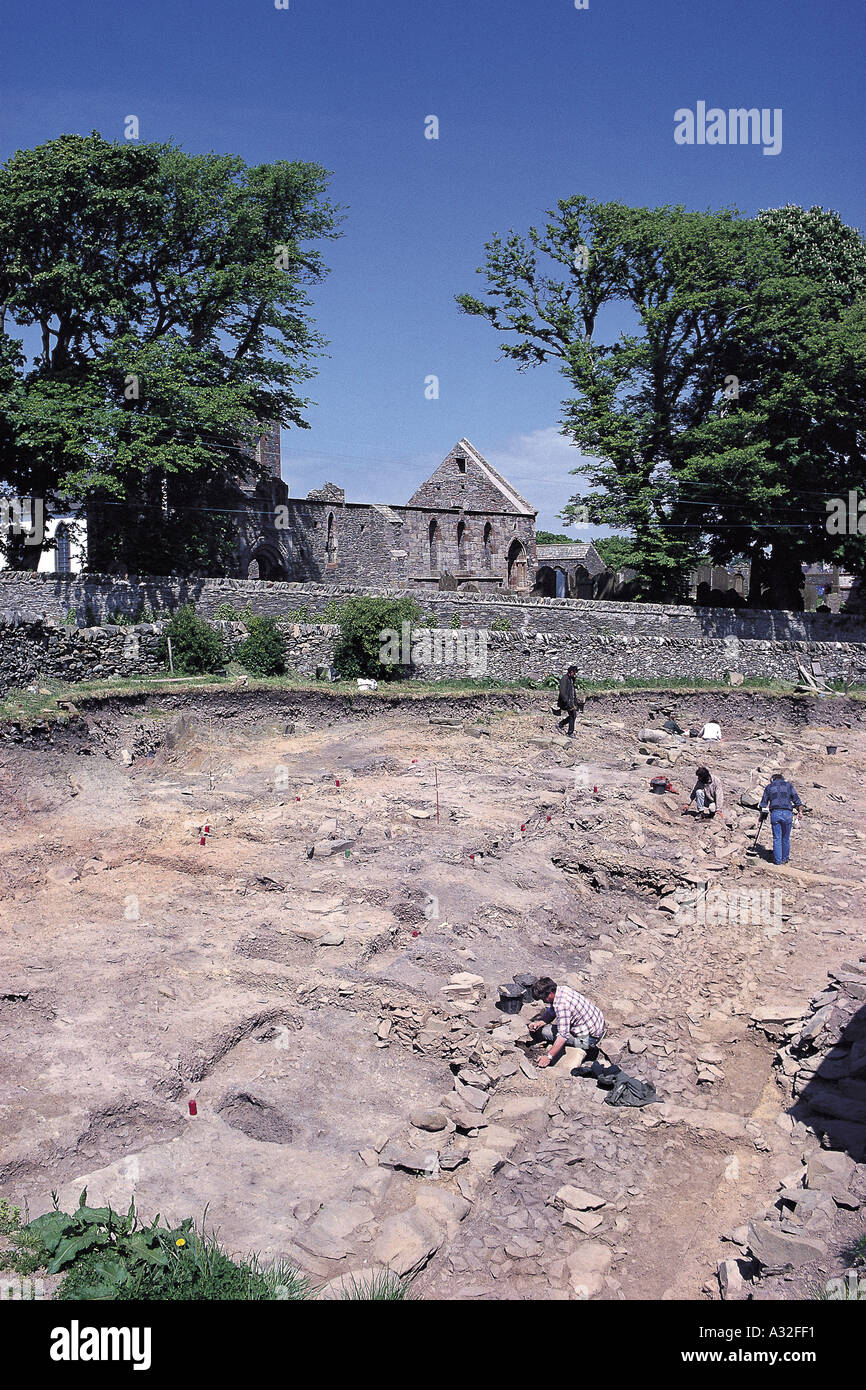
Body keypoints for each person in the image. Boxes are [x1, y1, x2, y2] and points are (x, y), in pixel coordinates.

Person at [527, 976, 605, 1069]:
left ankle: (587, 1048)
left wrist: (549, 1057)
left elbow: (563, 1037)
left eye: (544, 998)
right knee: (544, 1028)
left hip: (588, 1040)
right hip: (597, 1026)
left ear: (550, 993)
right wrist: (540, 1022)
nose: (543, 1001)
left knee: (544, 1032)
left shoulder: (563, 1005)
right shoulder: (562, 990)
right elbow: (552, 1010)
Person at [759, 771, 802, 865]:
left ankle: (778, 861)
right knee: (785, 838)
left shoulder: (769, 787)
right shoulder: (788, 786)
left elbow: (763, 804)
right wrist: (800, 812)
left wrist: (761, 817)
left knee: (777, 838)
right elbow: (797, 800)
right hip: (787, 813)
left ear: (772, 779)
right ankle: (785, 859)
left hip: (775, 813)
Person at [557, 665, 579, 738]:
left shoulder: (571, 679)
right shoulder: (564, 679)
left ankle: (561, 724)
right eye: (574, 672)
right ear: (571, 672)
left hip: (571, 701)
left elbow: (572, 691)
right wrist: (567, 702)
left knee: (573, 715)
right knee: (573, 715)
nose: (575, 674)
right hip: (567, 702)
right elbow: (563, 692)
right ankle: (570, 733)